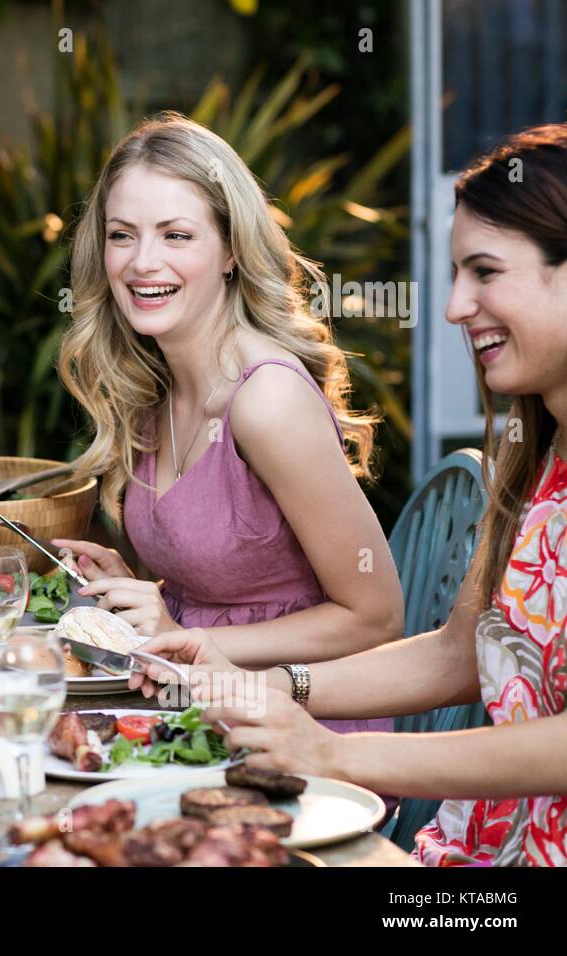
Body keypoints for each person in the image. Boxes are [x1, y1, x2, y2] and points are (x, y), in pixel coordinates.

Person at [134, 125, 567, 866]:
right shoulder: (539, 449)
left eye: (484, 272)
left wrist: (336, 758)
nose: (456, 307)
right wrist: (269, 688)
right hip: (471, 853)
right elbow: (456, 653)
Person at [52, 114, 403, 723]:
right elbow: (225, 584)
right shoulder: (154, 388)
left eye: (177, 235)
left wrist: (183, 639)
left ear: (232, 250)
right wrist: (137, 590)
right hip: (190, 704)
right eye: (122, 235)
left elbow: (374, 618)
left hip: (296, 729)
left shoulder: (267, 401)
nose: (142, 262)